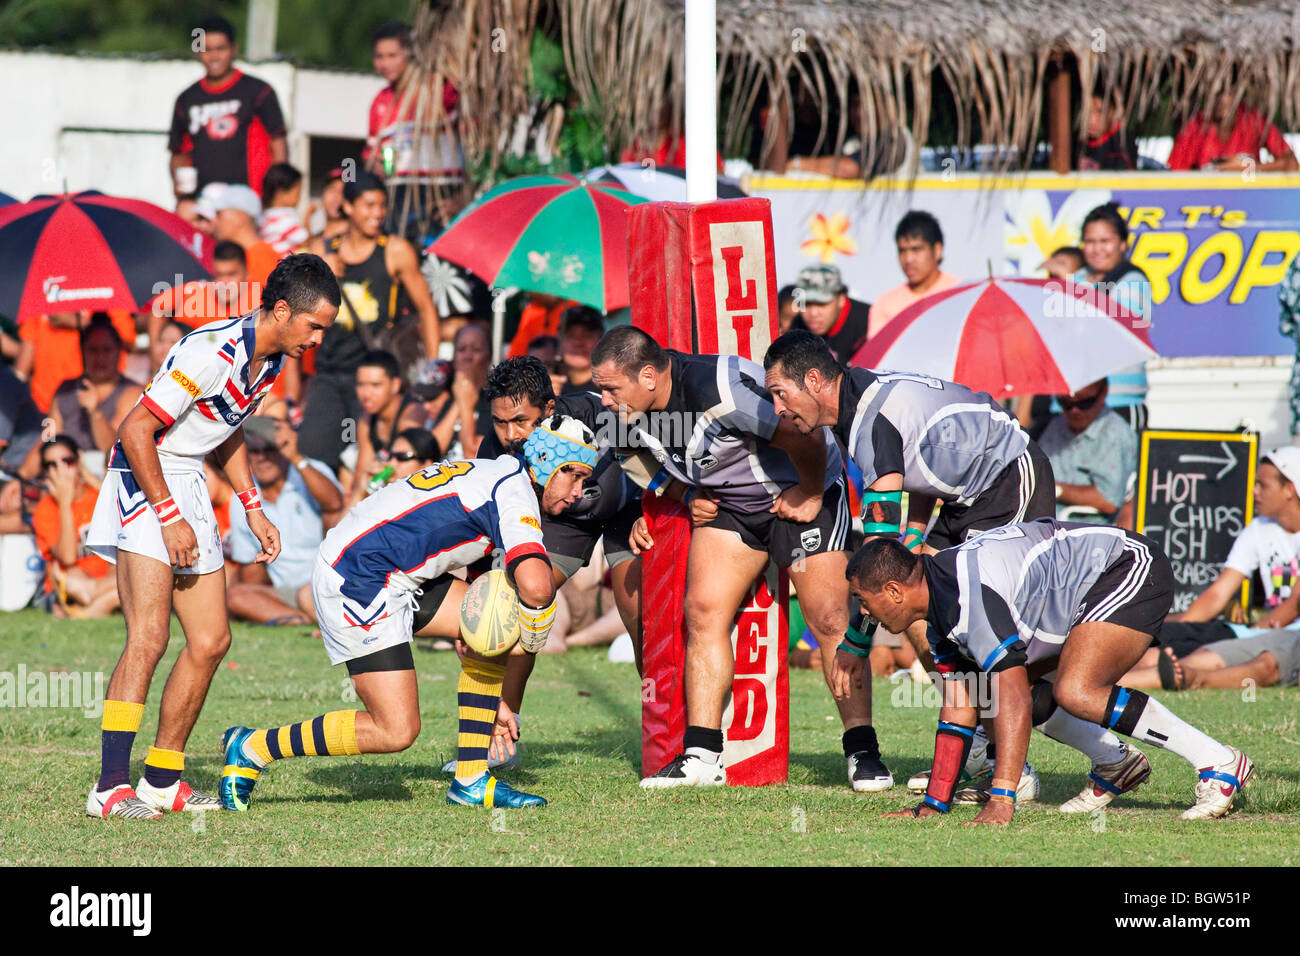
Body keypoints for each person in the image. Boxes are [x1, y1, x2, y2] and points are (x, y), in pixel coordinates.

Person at [763, 331, 1132, 806]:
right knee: (930, 607)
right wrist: (916, 534)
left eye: (779, 393)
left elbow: (881, 569)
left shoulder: (866, 420)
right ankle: (981, 743)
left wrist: (854, 643)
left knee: (984, 637)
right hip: (966, 497)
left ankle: (1047, 763)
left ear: (813, 380)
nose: (777, 409)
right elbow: (929, 458)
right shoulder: (857, 401)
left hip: (1006, 482)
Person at [218, 417, 596, 811]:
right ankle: (252, 746)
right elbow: (536, 586)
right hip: (360, 574)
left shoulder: (502, 472)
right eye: (576, 477)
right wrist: (534, 637)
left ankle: (470, 779)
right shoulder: (515, 492)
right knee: (395, 730)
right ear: (548, 462)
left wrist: (492, 686)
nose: (578, 493)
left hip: (393, 570)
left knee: (494, 619)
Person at [82, 254, 339, 820]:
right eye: (313, 326)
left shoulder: (269, 361)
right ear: (280, 310)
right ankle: (108, 786)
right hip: (145, 477)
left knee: (211, 640)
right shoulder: (209, 352)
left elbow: (225, 428)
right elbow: (136, 429)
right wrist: (168, 514)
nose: (317, 339)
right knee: (147, 638)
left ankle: (162, 779)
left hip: (189, 479)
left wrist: (254, 507)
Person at [591, 327, 894, 792]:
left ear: (648, 375)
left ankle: (863, 751)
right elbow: (630, 454)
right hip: (735, 508)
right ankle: (702, 755)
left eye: (611, 388)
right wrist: (683, 490)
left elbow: (804, 434)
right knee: (703, 612)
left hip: (799, 494)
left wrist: (810, 494)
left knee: (831, 618)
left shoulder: (720, 387)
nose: (605, 400)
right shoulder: (622, 414)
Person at [850, 521, 1256, 824]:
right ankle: (1114, 761)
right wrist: (933, 806)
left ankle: (1219, 761)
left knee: (1075, 689)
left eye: (863, 602)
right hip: (1079, 591)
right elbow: (960, 707)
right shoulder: (938, 604)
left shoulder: (965, 596)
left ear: (893, 591)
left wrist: (1001, 799)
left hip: (1127, 565)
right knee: (999, 691)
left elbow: (1008, 695)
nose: (864, 614)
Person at [477, 357, 643, 761]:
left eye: (520, 420)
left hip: (626, 510)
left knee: (641, 616)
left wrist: (648, 514)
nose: (510, 434)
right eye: (500, 422)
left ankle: (671, 738)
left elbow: (655, 459)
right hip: (562, 522)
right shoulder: (493, 450)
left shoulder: (600, 411)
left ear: (549, 409)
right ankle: (501, 739)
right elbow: (481, 528)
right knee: (518, 609)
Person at [298, 173, 441, 466]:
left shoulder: (395, 251)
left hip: (374, 380)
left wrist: (433, 369)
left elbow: (426, 309)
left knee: (371, 464)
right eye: (369, 205)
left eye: (382, 206)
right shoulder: (323, 251)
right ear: (348, 207)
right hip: (328, 373)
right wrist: (323, 272)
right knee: (312, 459)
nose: (377, 213)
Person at [226, 413, 342, 627]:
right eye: (255, 451)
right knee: (234, 595)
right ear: (246, 457)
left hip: (328, 583)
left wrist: (296, 458)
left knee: (308, 593)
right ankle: (305, 619)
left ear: (282, 449)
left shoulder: (310, 470)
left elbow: (335, 504)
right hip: (286, 593)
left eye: (270, 449)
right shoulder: (241, 499)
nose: (262, 458)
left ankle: (310, 618)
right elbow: (251, 567)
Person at [364, 20, 465, 239]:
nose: (384, 64)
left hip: (439, 197)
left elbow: (475, 144)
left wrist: (466, 198)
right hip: (397, 200)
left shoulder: (440, 90)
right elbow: (369, 154)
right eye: (379, 56)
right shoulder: (381, 102)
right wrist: (375, 164)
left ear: (410, 54)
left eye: (392, 56)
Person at [168, 15, 288, 198]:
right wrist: (181, 186)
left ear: (233, 49)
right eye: (207, 49)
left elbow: (278, 147)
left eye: (220, 49)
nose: (214, 56)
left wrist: (276, 195)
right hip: (202, 200)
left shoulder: (258, 92)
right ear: (197, 52)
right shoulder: (186, 99)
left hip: (248, 199)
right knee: (184, 214)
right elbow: (178, 154)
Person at [1075, 203, 1153, 429]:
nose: (1097, 249)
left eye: (1104, 241)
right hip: (1077, 404)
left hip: (1121, 403)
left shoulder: (1133, 281)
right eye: (1090, 242)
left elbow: (1110, 330)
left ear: (1122, 244)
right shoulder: (1077, 277)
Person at [37, 315, 143, 468]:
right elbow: (49, 439)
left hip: (107, 476)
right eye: (93, 350)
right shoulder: (65, 390)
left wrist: (95, 413)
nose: (100, 358)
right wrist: (21, 476)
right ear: (82, 352)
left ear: (119, 352)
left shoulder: (132, 392)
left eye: (107, 350)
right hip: (66, 471)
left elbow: (114, 450)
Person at [32, 435, 118, 618]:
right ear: (45, 472)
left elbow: (118, 505)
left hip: (107, 578)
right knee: (72, 575)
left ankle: (92, 608)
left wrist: (86, 473)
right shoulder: (45, 510)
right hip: (70, 585)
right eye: (51, 465)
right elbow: (68, 557)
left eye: (67, 461)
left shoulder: (97, 493)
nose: (61, 469)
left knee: (120, 567)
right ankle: (112, 598)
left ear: (78, 461)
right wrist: (64, 503)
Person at [1038, 378, 1136, 524]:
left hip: (1086, 533)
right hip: (1042, 523)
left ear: (1104, 392)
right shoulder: (1055, 427)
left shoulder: (1114, 433)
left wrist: (1055, 489)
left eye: (1084, 403)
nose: (1074, 410)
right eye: (1065, 403)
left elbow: (1108, 500)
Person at [350, 350, 428, 504]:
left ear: (395, 385)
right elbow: (359, 478)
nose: (366, 393)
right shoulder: (366, 420)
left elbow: (408, 472)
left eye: (375, 385)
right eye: (361, 385)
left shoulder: (412, 415)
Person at [867, 212, 962, 338]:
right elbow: (876, 354)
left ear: (937, 250)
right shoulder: (885, 306)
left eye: (916, 249)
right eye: (902, 251)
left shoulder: (959, 295)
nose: (908, 259)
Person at [1167, 92, 1298, 172]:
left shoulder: (1253, 120)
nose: (1220, 100)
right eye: (1215, 92)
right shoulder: (1196, 125)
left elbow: (1292, 164)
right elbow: (1174, 174)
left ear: (1236, 93)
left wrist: (1249, 168)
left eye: (1226, 93)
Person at [788, 264, 871, 362]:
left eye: (822, 303)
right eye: (806, 303)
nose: (813, 313)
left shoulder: (870, 322)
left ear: (841, 299)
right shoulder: (798, 327)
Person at [206, 185, 280, 288]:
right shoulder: (252, 254)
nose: (213, 221)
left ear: (240, 216)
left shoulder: (260, 256)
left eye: (219, 214)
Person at [258, 163, 310, 255]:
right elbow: (305, 241)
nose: (299, 198)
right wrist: (308, 215)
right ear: (280, 193)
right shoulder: (285, 219)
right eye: (297, 192)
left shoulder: (263, 217)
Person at [1078, 92, 1138, 171]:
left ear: (1117, 112)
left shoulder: (1121, 145)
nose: (1092, 120)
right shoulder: (1077, 143)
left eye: (1100, 112)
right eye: (1087, 111)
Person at [556, 305, 603, 394]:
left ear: (601, 339)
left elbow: (623, 408)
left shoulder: (613, 390)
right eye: (571, 336)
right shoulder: (551, 391)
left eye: (587, 335)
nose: (578, 342)